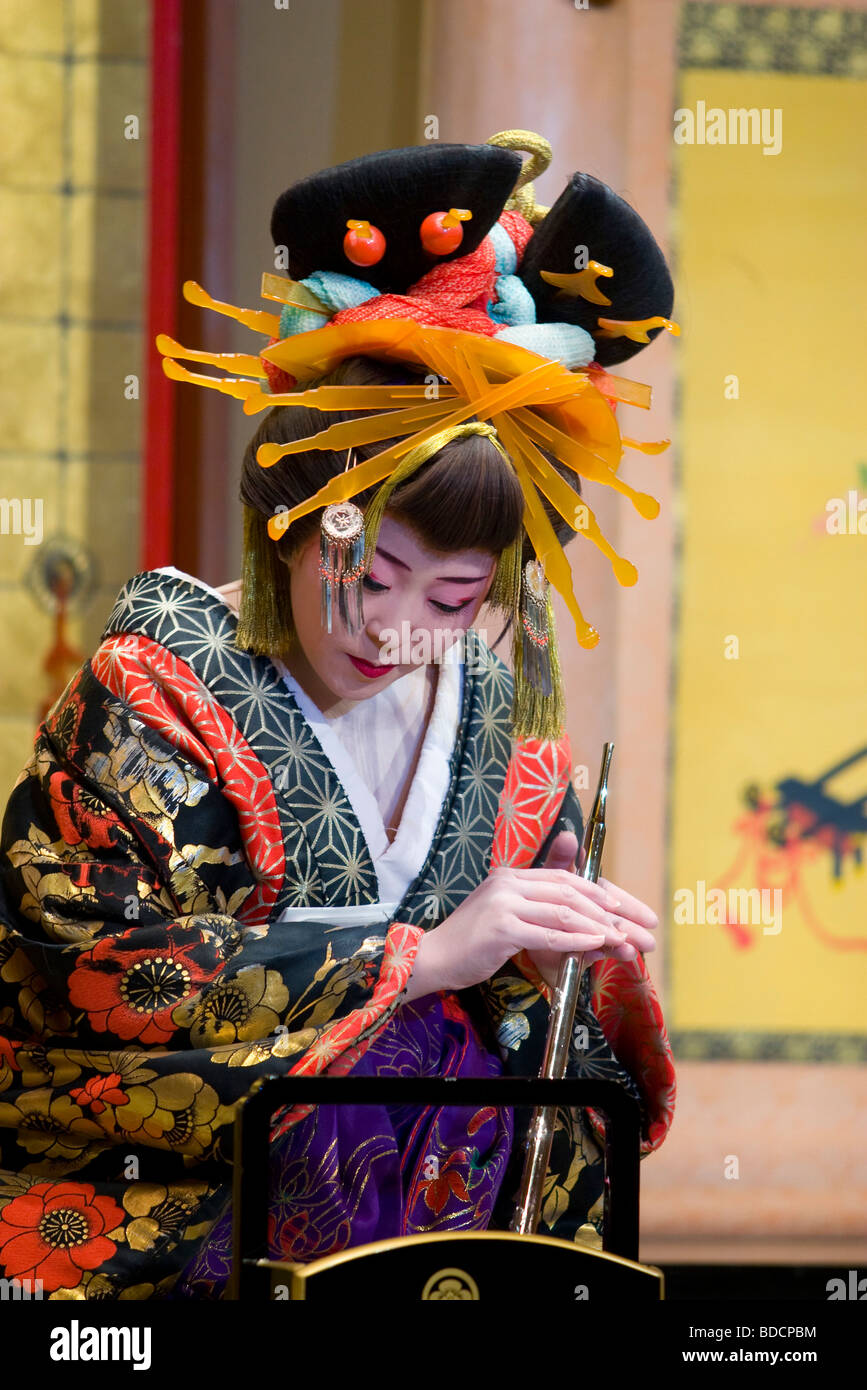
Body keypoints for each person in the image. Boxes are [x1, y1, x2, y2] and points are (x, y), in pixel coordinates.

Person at [0, 131, 676, 1299]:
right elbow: (84, 972)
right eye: (366, 571)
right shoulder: (149, 689)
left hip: (443, 1227)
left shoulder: (502, 722)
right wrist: (412, 959)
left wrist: (553, 964)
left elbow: (539, 1038)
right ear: (294, 516)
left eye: (455, 596)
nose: (396, 627)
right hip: (202, 1215)